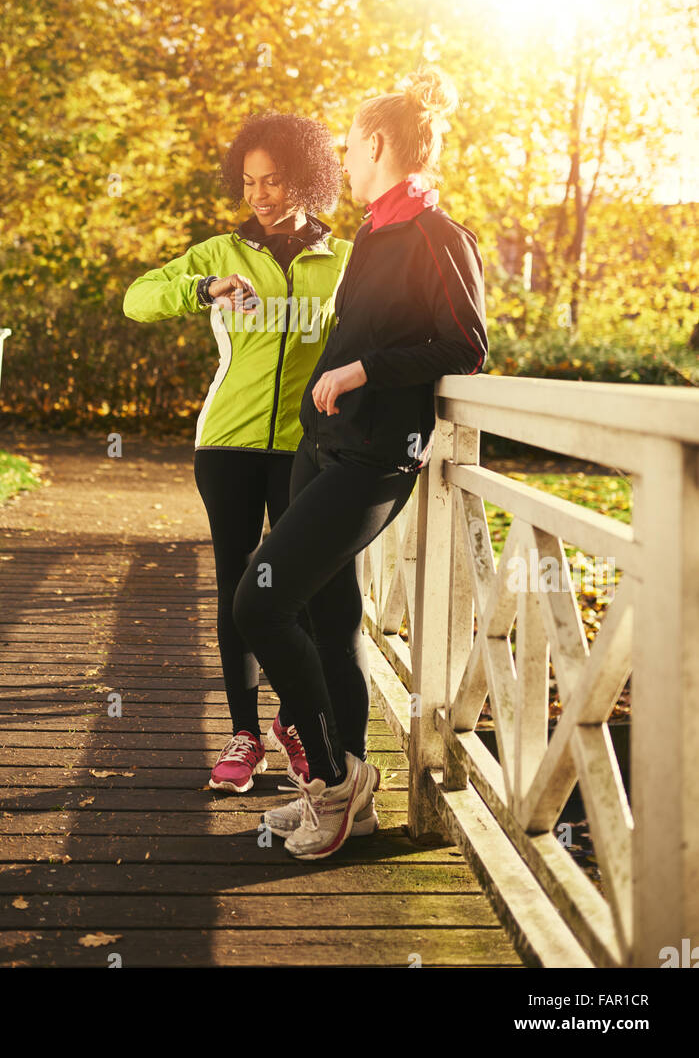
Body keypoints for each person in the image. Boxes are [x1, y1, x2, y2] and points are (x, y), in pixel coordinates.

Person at [233, 67, 488, 859]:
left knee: (258, 605)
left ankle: (334, 787)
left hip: (377, 460)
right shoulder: (376, 231)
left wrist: (361, 370)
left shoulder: (437, 236)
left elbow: (466, 346)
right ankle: (355, 799)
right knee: (326, 619)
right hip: (326, 449)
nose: (340, 155)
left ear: (377, 143)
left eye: (348, 141)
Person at [123, 112, 352, 792]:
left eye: (274, 181)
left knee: (295, 593)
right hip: (224, 444)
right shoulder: (221, 252)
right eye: (249, 182)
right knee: (235, 588)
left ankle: (296, 725)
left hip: (304, 449)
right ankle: (244, 734)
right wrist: (203, 289)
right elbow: (138, 299)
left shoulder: (343, 260)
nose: (258, 195)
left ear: (307, 178)